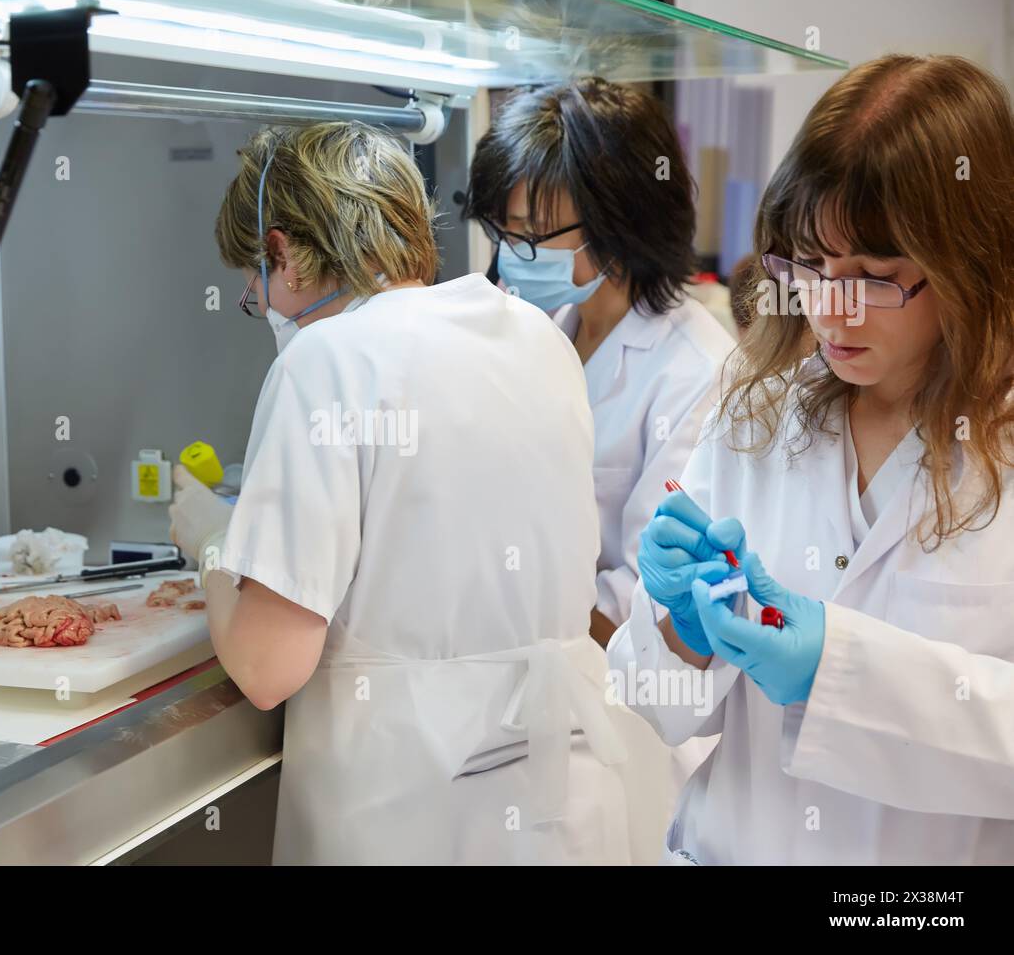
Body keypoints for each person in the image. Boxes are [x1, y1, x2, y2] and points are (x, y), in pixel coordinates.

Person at [169, 121, 659, 864]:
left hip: (409, 815)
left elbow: (269, 667)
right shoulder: (536, 337)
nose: (260, 303)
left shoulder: (324, 362)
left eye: (254, 283)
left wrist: (211, 543)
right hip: (564, 807)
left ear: (282, 251)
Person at [609, 54, 1014, 864]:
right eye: (811, 268)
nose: (829, 310)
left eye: (873, 277)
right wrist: (681, 634)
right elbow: (657, 710)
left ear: (970, 265)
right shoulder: (761, 411)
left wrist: (839, 671)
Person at [462, 79, 735, 649]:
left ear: (619, 225)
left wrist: (496, 582)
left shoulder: (698, 375)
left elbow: (645, 604)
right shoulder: (548, 325)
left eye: (534, 235)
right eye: (505, 232)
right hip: (532, 659)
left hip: (621, 698)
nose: (513, 254)